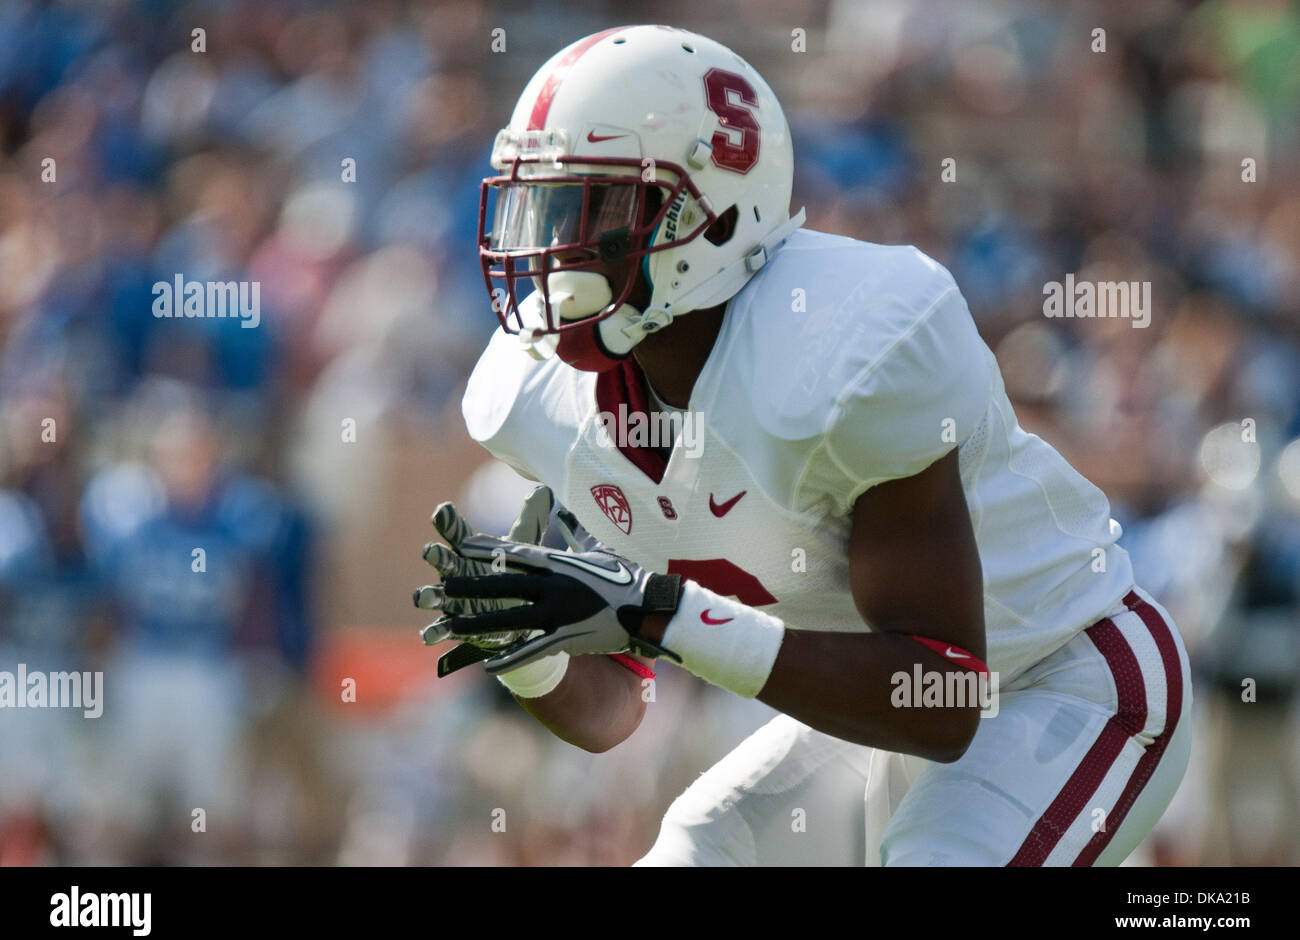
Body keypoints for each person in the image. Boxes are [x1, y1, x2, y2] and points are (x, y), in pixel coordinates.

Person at [414, 25, 1192, 866]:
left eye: (590, 209)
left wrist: (659, 611)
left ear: (708, 214)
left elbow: (942, 695)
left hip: (1062, 676)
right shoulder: (542, 398)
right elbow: (616, 709)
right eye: (542, 206)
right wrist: (525, 649)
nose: (550, 245)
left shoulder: (848, 352)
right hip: (860, 706)